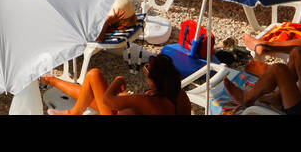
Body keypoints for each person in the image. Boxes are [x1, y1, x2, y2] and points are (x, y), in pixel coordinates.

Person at [42, 54, 190, 116]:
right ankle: (50, 80)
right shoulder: (179, 96)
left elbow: (108, 101)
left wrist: (118, 80)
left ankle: (50, 81)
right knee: (91, 94)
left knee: (94, 75)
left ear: (153, 80)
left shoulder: (148, 101)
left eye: (146, 69)